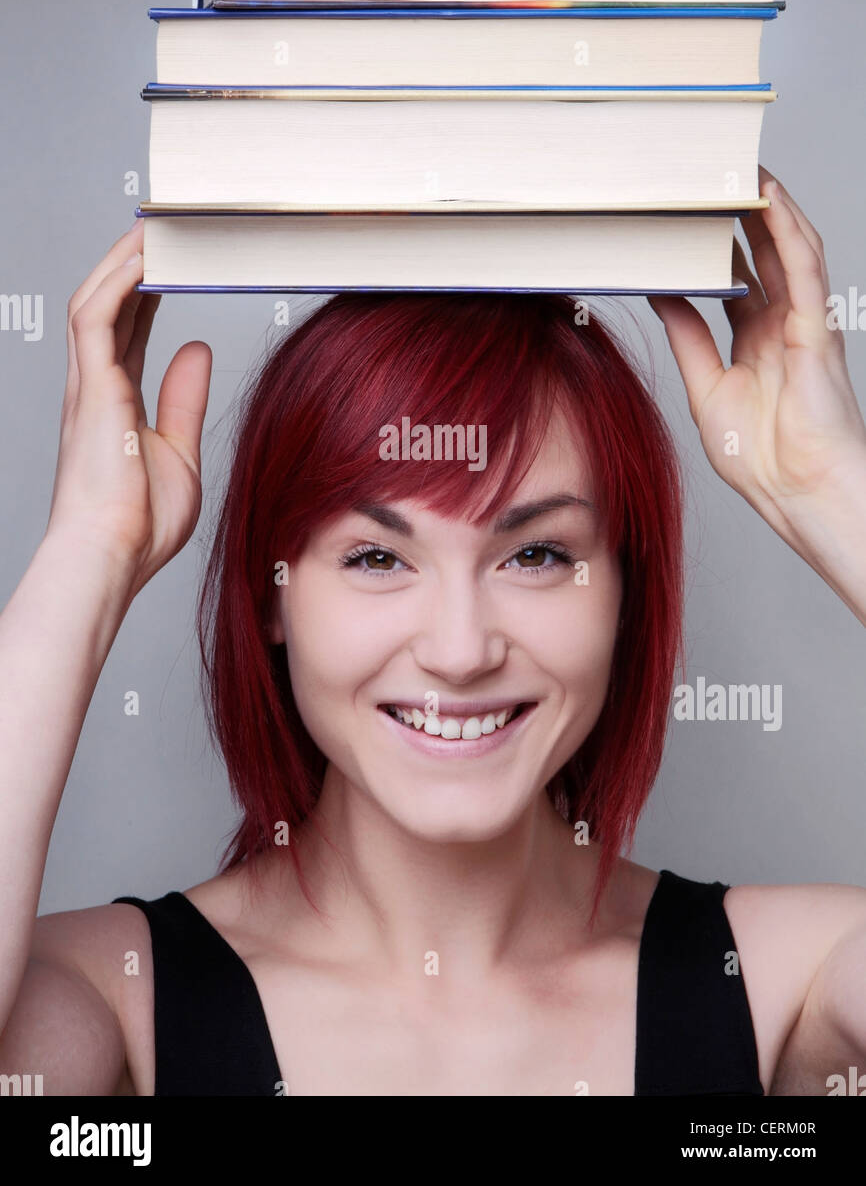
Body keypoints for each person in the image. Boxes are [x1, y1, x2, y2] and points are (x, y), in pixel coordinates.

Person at [0, 168, 864, 1097]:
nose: (460, 651)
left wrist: (826, 487)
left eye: (535, 556)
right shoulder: (107, 1003)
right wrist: (87, 553)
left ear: (625, 595)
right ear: (272, 595)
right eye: (377, 559)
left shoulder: (791, 986)